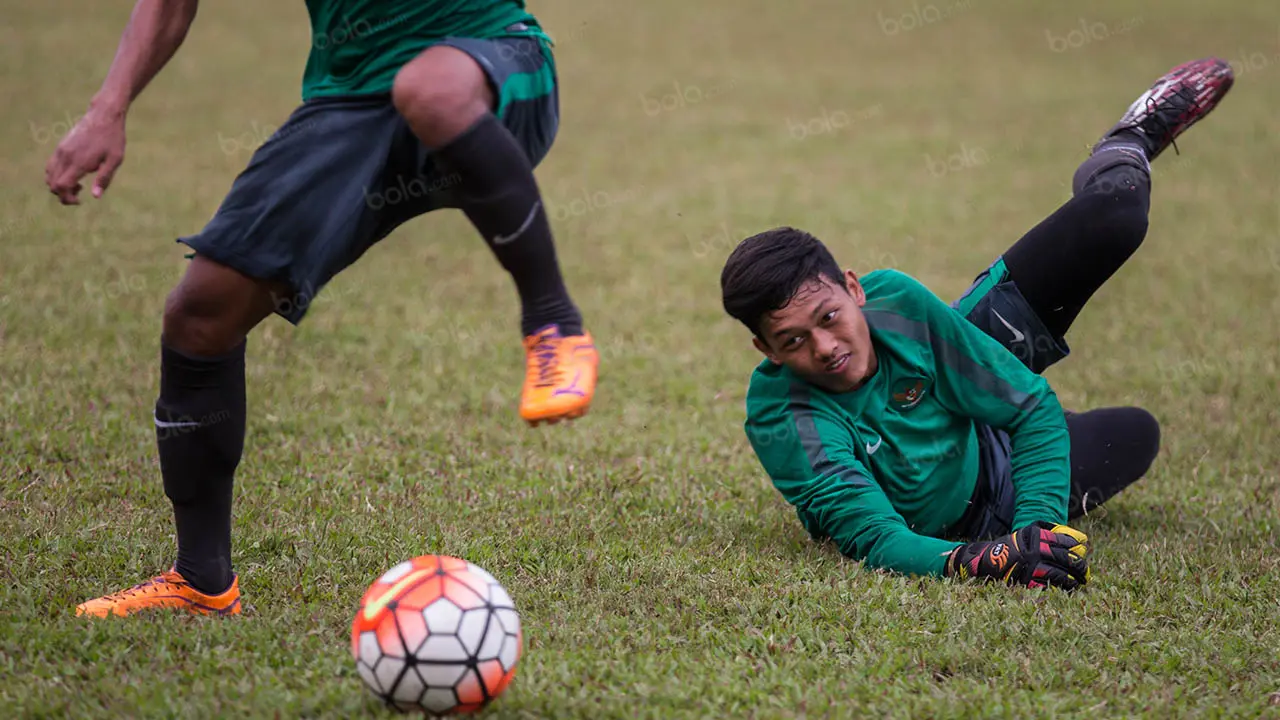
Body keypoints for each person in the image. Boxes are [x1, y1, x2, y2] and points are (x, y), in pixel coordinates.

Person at [47, 0, 600, 618]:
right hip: (351, 98)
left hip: (490, 58)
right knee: (201, 314)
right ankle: (201, 580)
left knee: (429, 90)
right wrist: (108, 107)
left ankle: (555, 326)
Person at [719, 58, 1234, 590]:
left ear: (854, 289)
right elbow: (876, 537)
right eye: (794, 340)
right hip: (981, 510)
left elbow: (1032, 407)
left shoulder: (897, 304)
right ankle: (993, 406)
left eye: (830, 317)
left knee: (1116, 214)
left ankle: (1127, 141)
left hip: (975, 398)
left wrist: (1039, 532)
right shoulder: (782, 413)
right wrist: (992, 557)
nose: (825, 347)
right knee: (1133, 434)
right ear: (767, 350)